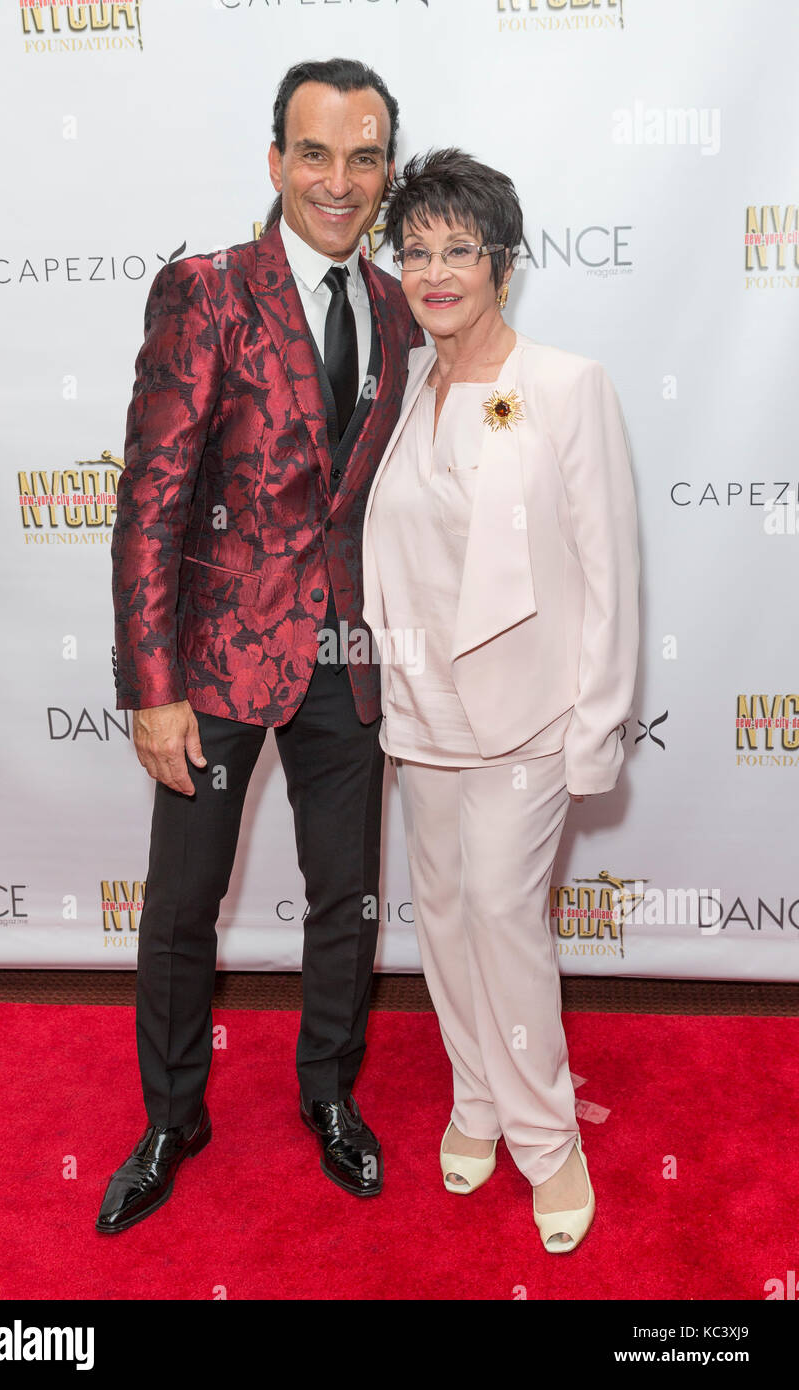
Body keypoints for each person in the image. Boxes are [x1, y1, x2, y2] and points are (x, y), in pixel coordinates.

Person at [97, 58, 423, 1234]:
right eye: (316, 152)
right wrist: (154, 685)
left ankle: (329, 1092)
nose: (339, 180)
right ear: (275, 159)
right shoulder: (207, 290)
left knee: (348, 896)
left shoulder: (396, 305)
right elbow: (153, 501)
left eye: (364, 155)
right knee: (184, 903)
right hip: (218, 659)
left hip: (347, 654)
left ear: (386, 168)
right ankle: (173, 1114)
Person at [362, 148, 639, 1252]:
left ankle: (548, 1134)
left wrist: (595, 730)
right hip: (420, 714)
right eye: (415, 249)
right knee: (440, 911)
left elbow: (609, 568)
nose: (435, 271)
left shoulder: (568, 385)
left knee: (503, 914)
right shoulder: (408, 384)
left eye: (457, 251)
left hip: (527, 713)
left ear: (503, 266)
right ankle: (475, 1094)